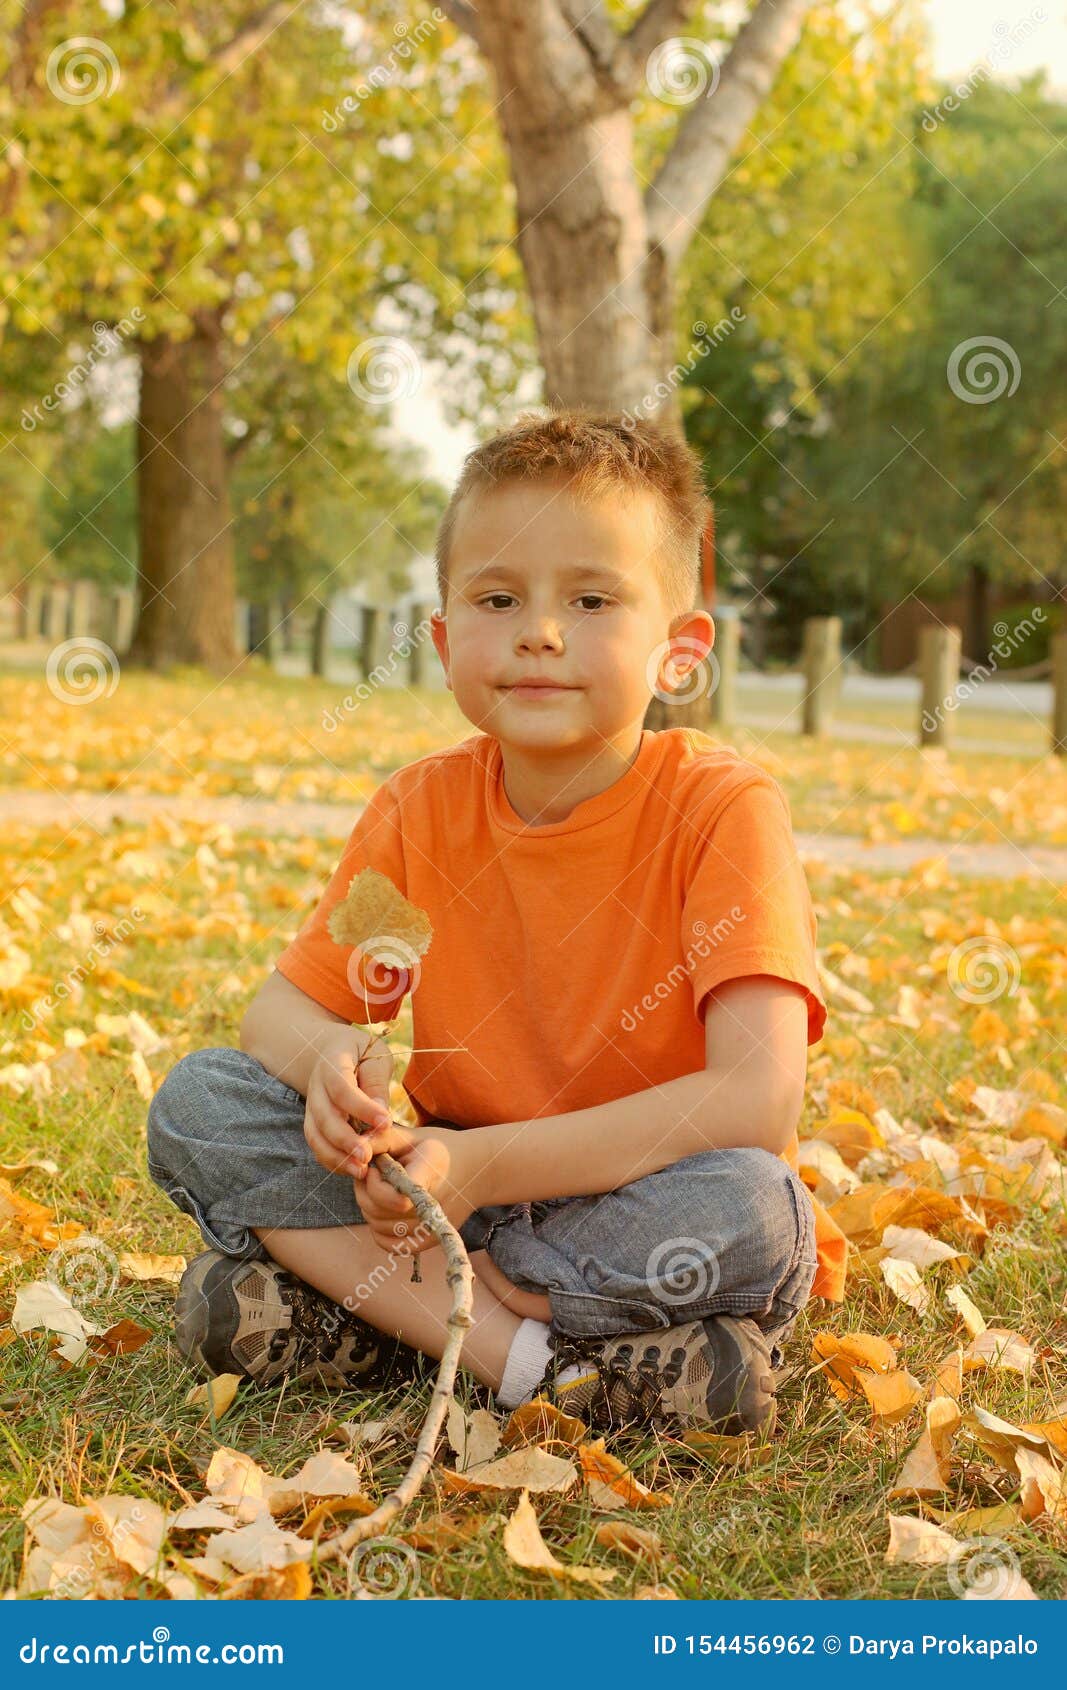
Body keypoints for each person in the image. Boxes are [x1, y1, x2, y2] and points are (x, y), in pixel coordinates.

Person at [147, 408, 847, 1436]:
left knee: (755, 1207)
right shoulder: (419, 812)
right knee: (201, 1100)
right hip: (437, 1181)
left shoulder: (721, 812)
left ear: (679, 652)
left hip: (632, 1204)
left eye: (592, 597)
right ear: (442, 639)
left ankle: (390, 1319)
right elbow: (279, 1014)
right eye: (497, 597)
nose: (540, 630)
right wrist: (334, 1063)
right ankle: (543, 1361)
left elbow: (754, 1101)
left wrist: (485, 1168)